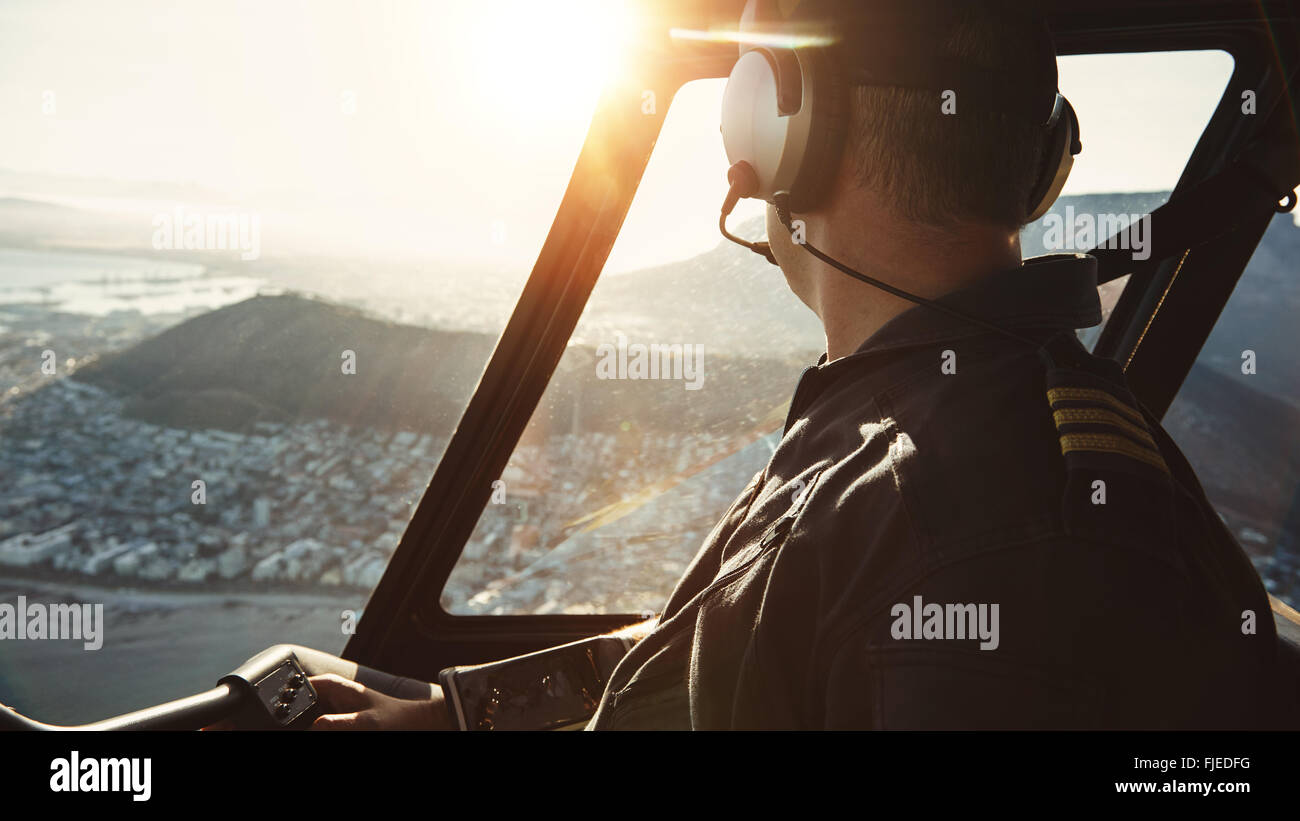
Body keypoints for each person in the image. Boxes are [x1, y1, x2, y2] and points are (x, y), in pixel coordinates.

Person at [303, 0, 1287, 730]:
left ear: (782, 134)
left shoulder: (969, 531)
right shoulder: (927, 420)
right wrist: (457, 714)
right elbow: (738, 640)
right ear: (1040, 164)